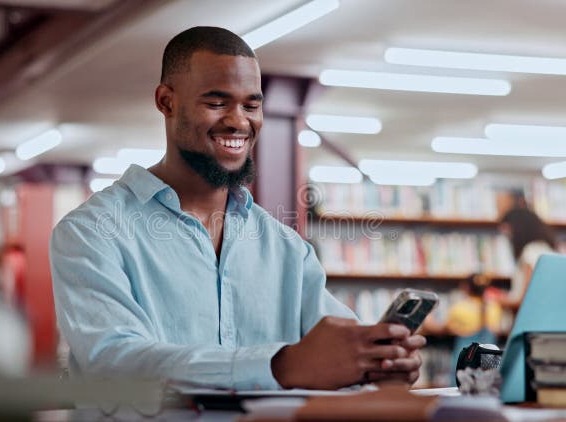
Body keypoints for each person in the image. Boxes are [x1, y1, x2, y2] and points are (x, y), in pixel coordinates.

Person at [49, 26, 425, 390]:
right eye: (216, 103)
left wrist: (373, 366)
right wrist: (279, 366)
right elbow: (115, 363)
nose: (238, 121)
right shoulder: (91, 233)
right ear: (166, 101)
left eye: (251, 105)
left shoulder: (286, 248)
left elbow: (335, 352)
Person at [498, 207, 557, 309]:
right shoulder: (544, 249)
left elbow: (527, 298)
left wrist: (496, 299)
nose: (507, 237)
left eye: (508, 231)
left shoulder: (531, 252)